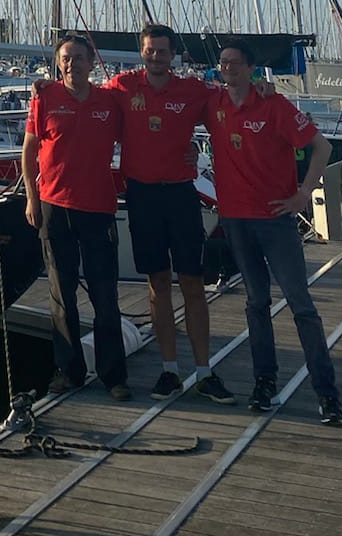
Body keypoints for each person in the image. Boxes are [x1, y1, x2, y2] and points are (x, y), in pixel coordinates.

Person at [208, 39, 342, 426]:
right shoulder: (213, 104)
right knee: (255, 304)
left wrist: (305, 193)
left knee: (301, 304)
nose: (228, 69)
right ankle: (264, 383)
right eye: (223, 63)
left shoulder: (274, 105)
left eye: (235, 63)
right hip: (236, 220)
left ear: (251, 69)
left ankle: (327, 394)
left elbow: (322, 146)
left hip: (275, 221)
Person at [105, 24, 236, 404]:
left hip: (180, 194)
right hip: (143, 195)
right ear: (141, 52)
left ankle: (204, 371)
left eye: (162, 52)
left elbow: (231, 104)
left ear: (173, 54)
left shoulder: (194, 90)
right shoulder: (123, 87)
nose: (156, 57)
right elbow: (81, 95)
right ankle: (169, 370)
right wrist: (44, 88)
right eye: (150, 51)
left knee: (193, 283)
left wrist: (260, 88)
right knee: (157, 283)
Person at [22, 34, 130, 399]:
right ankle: (70, 371)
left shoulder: (109, 101)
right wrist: (32, 199)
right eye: (66, 58)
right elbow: (29, 151)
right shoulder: (45, 98)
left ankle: (113, 376)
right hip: (55, 205)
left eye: (79, 58)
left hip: (98, 207)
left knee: (104, 293)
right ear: (58, 63)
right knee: (61, 294)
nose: (72, 64)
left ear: (90, 62)